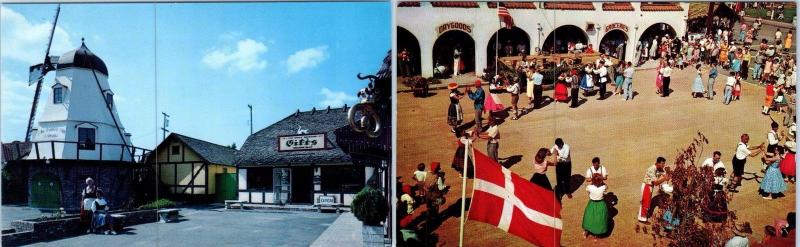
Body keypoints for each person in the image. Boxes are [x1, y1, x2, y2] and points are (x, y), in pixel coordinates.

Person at [638, 157, 670, 222]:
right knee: (645, 202)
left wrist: (667, 172)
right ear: (657, 163)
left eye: (664, 164)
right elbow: (656, 183)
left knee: (647, 202)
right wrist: (664, 178)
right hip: (646, 186)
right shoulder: (651, 169)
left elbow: (666, 177)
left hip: (650, 186)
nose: (663, 165)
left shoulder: (659, 168)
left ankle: (642, 217)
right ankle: (642, 218)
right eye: (662, 164)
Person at [582, 174, 608, 238]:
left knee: (589, 217)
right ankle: (596, 233)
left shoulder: (589, 187)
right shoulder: (604, 187)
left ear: (592, 181)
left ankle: (586, 231)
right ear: (601, 181)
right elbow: (606, 187)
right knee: (599, 218)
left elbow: (588, 193)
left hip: (592, 203)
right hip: (601, 203)